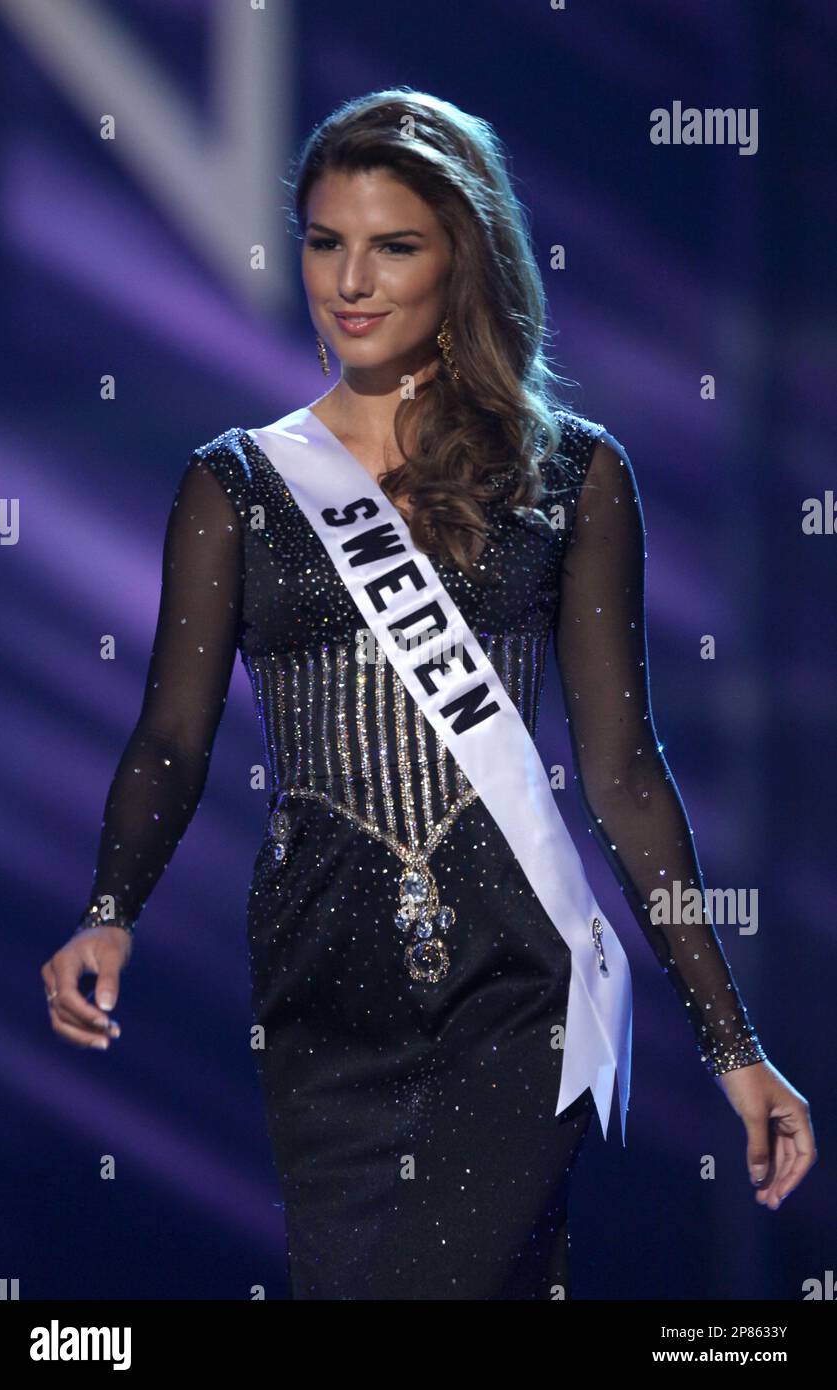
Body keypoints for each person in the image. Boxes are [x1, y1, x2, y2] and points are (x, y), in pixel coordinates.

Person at [42, 88, 816, 1300]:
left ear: (463, 257)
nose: (349, 280)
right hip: (319, 979)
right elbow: (170, 737)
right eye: (323, 241)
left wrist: (731, 1046)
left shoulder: (570, 474)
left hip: (515, 979)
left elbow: (620, 769)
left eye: (392, 244)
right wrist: (109, 907)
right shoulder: (237, 484)